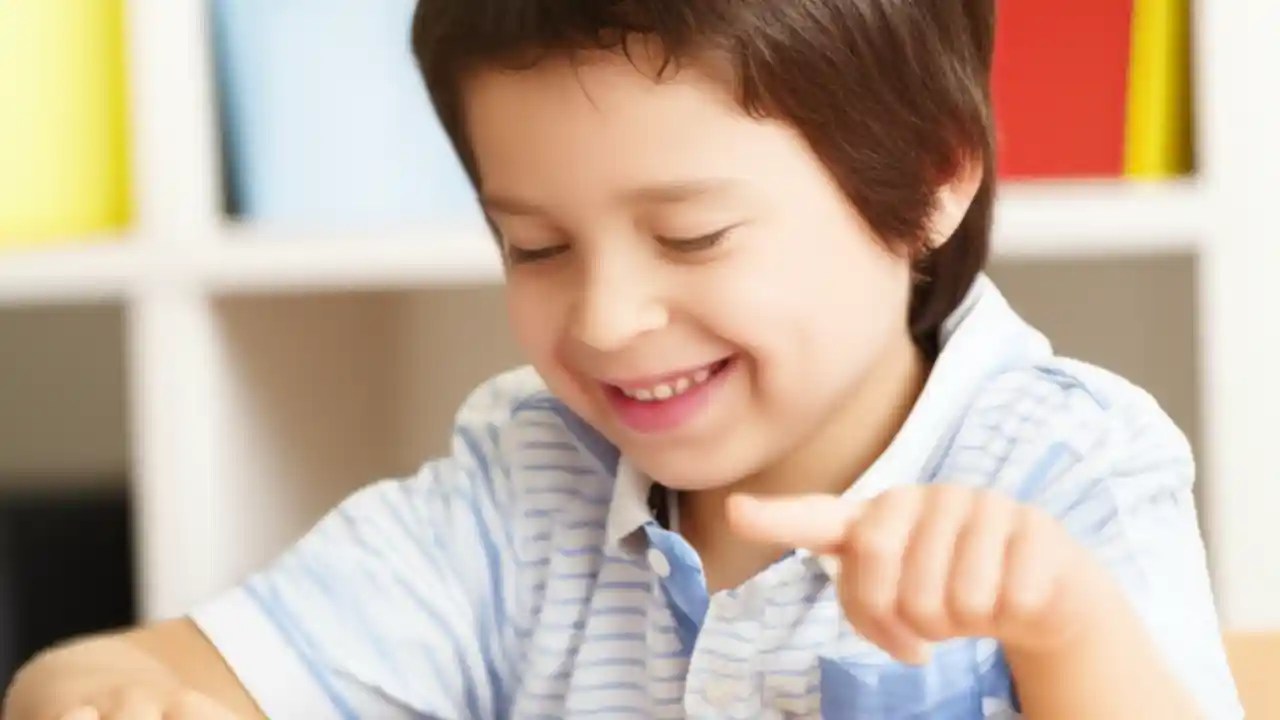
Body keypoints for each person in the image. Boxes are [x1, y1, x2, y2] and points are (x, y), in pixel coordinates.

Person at [3, 1, 1243, 717]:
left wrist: (1059, 626)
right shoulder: (520, 479)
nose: (604, 317)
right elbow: (154, 668)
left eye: (689, 235)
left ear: (926, 182)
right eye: (532, 244)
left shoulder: (1064, 468)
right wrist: (99, 687)